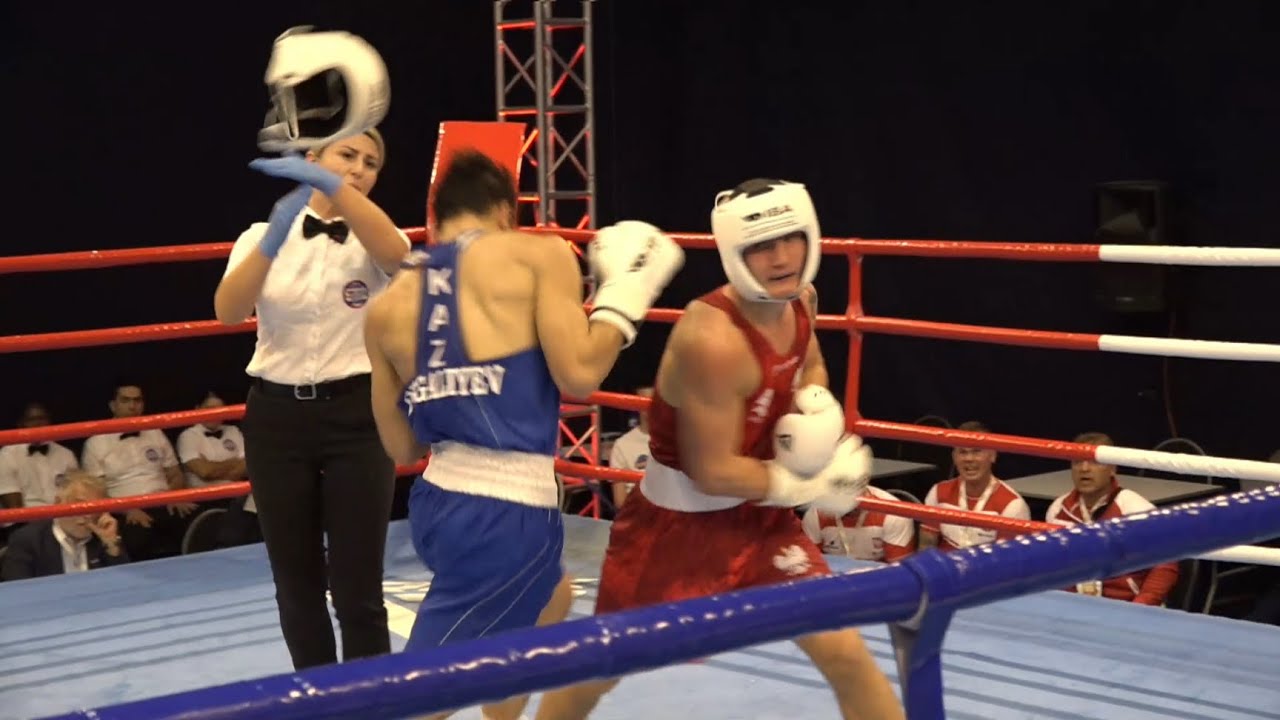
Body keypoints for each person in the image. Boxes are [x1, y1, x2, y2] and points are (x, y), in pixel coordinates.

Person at [533, 179, 904, 720]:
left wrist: (817, 413)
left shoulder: (800, 300)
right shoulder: (713, 339)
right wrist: (807, 485)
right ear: (734, 254)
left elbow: (810, 362)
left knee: (845, 653)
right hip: (675, 534)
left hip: (759, 521)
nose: (780, 259)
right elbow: (711, 472)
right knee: (602, 669)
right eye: (761, 246)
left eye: (790, 239)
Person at [362, 149, 684, 720]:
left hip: (436, 502)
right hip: (505, 514)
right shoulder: (537, 255)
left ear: (435, 220)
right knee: (419, 691)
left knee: (550, 601)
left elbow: (401, 448)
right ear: (507, 211)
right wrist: (622, 301)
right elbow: (580, 374)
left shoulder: (386, 304)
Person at [213, 26, 406, 670]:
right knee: (296, 585)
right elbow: (227, 310)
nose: (358, 169)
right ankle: (318, 701)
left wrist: (335, 191)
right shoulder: (260, 233)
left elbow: (400, 258)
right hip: (277, 418)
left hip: (359, 417)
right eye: (346, 155)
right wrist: (275, 233)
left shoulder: (377, 236)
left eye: (370, 163)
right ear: (316, 152)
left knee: (358, 587)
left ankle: (378, 707)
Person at [2, 471, 128, 581]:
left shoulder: (103, 537)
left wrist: (111, 545)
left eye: (95, 508)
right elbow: (18, 592)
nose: (87, 515)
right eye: (80, 505)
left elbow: (125, 584)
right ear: (58, 503)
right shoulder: (28, 540)